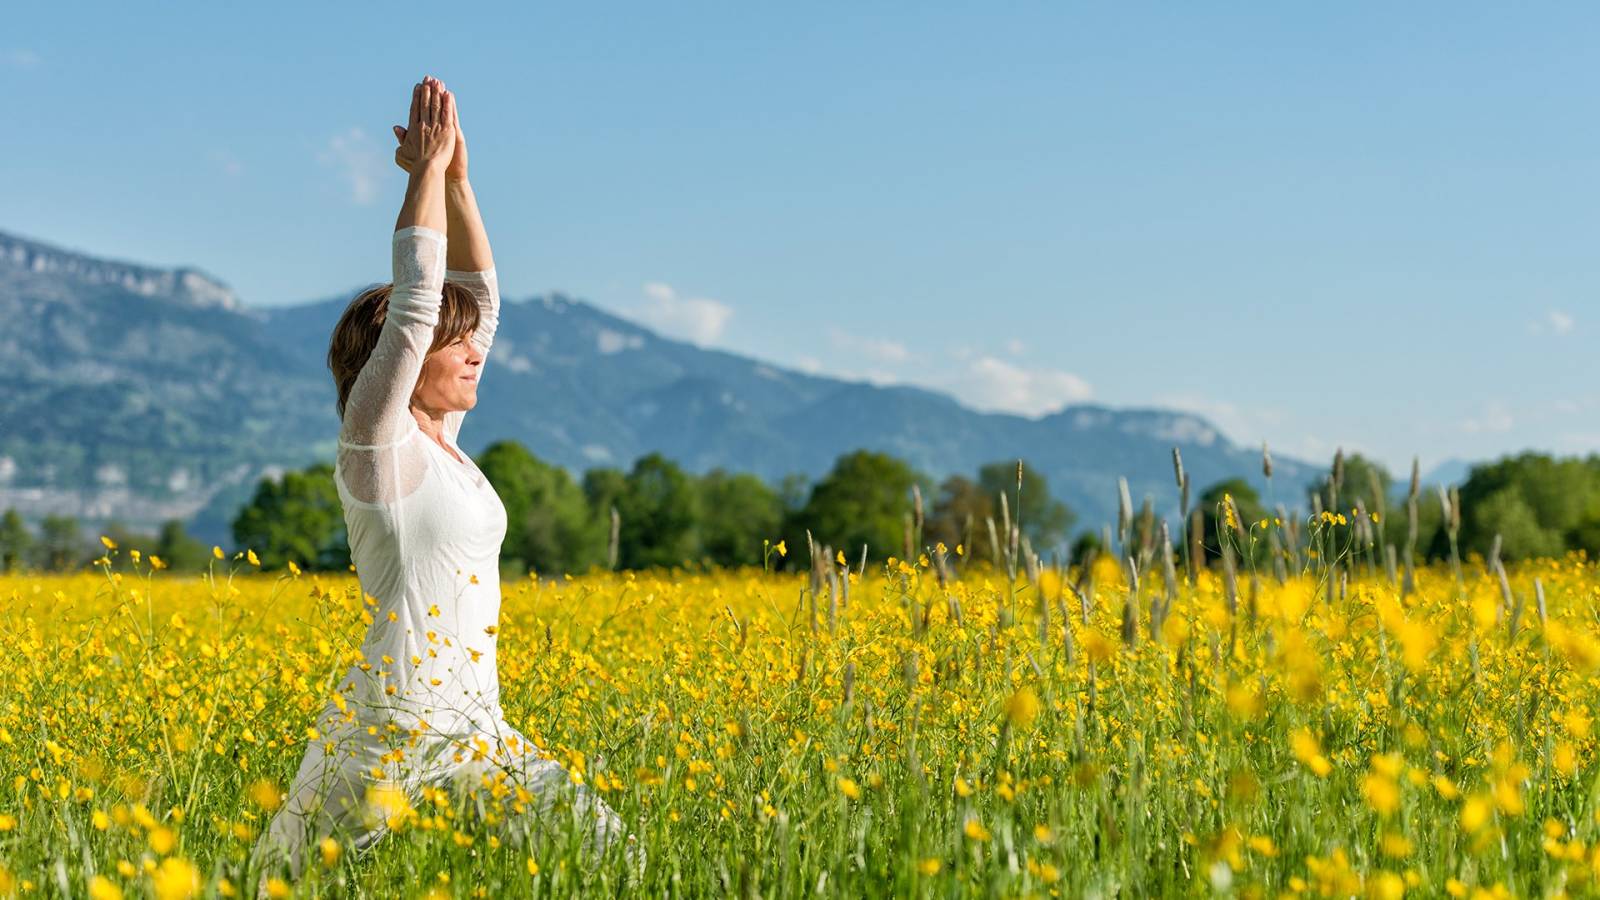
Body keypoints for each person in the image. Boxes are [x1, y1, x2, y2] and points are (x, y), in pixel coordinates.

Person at [250, 76, 641, 887]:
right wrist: (422, 174)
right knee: (282, 885)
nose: (472, 353)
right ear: (400, 363)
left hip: (473, 730)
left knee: (614, 856)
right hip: (386, 734)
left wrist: (459, 179)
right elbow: (418, 305)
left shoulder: (445, 447)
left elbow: (480, 305)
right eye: (448, 341)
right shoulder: (377, 444)